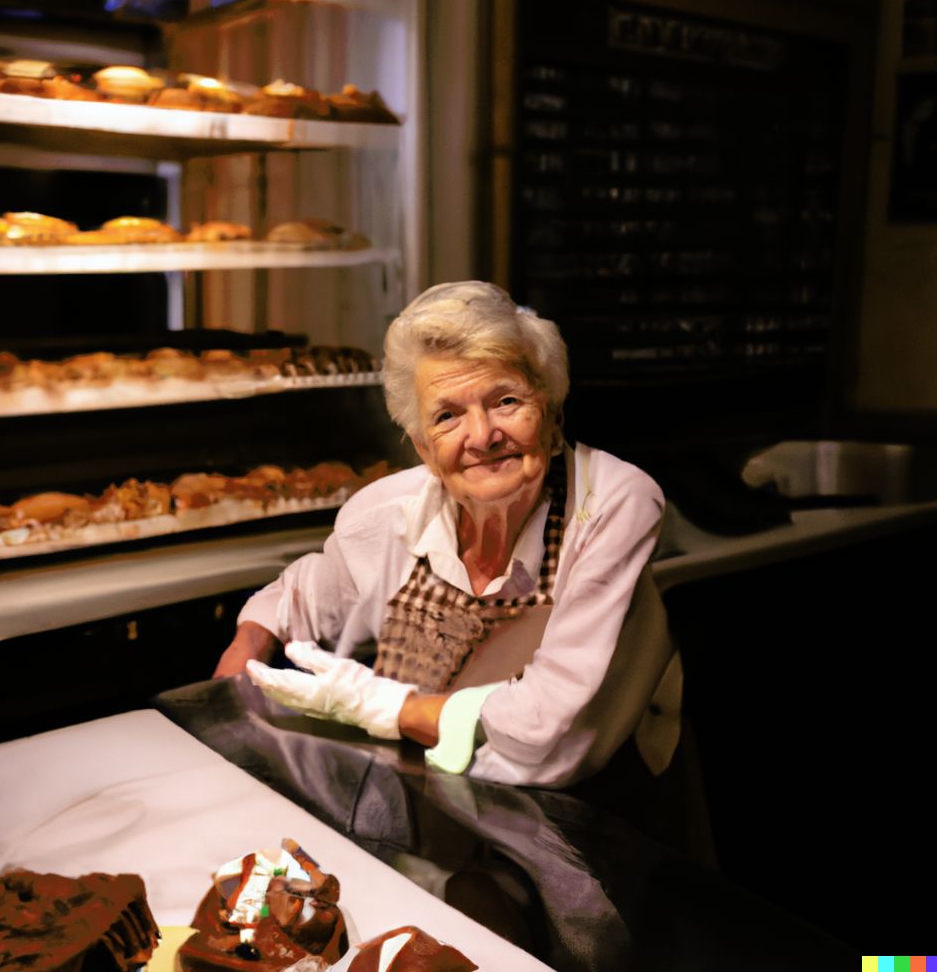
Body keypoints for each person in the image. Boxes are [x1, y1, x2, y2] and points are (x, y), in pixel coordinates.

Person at [215, 281, 682, 790]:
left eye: (506, 400)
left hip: (592, 797)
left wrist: (387, 706)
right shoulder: (389, 511)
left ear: (551, 414)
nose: (481, 436)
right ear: (422, 448)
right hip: (443, 785)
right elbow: (305, 593)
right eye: (447, 416)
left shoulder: (611, 504)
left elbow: (547, 728)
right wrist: (248, 648)